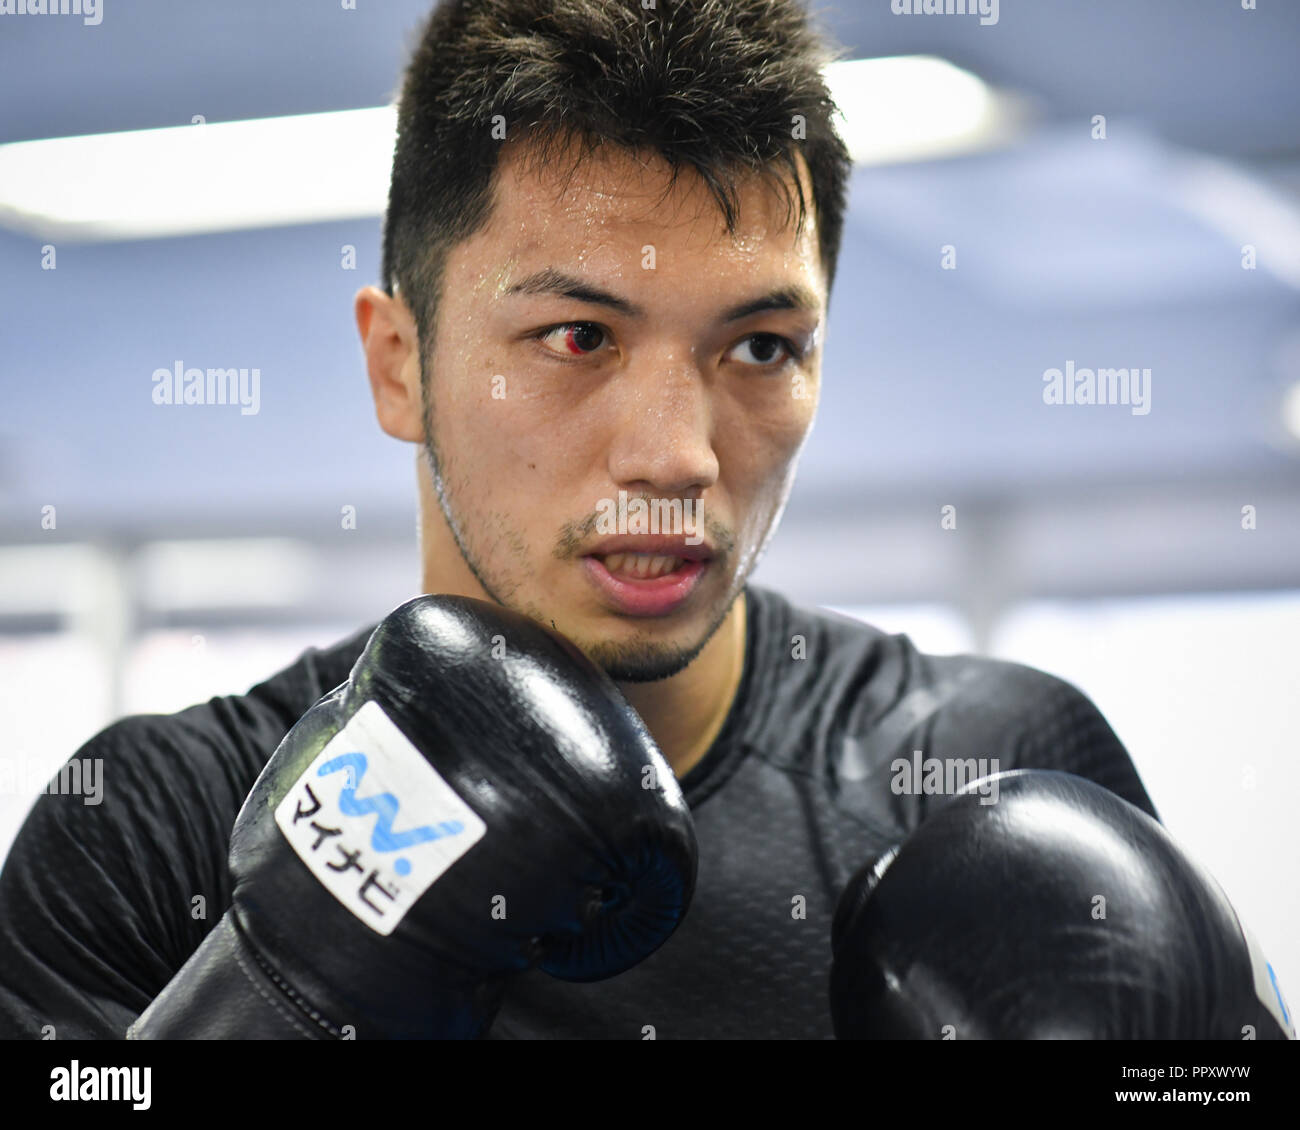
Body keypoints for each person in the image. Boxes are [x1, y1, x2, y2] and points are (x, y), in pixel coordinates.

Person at [0, 0, 1281, 1041]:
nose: (675, 452)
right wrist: (277, 992)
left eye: (762, 345)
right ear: (400, 364)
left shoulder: (990, 761)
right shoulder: (152, 826)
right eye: (577, 335)